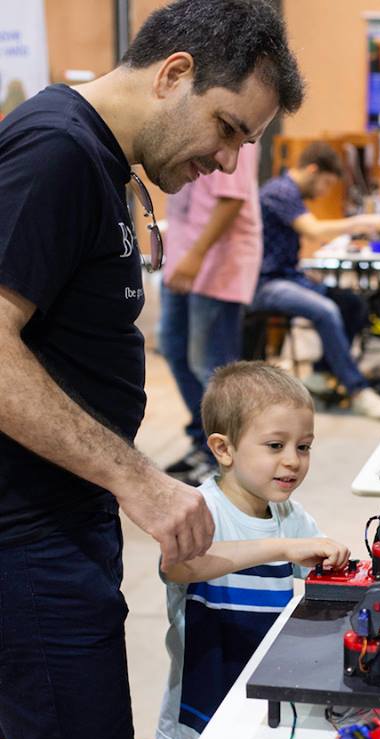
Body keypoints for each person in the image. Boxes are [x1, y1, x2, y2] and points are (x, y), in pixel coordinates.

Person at [0, 0, 303, 739]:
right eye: (227, 129)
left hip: (49, 528)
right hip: (32, 539)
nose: (225, 161)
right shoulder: (55, 150)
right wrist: (139, 479)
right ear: (173, 74)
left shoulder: (94, 160)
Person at [157, 361, 380, 739]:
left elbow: (341, 575)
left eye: (303, 446)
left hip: (266, 697)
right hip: (202, 706)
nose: (293, 460)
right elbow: (179, 564)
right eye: (275, 446)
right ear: (223, 449)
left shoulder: (289, 515)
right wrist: (281, 547)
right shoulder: (201, 510)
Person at [253, 142, 380, 420]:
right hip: (265, 282)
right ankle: (358, 392)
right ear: (312, 170)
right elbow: (315, 231)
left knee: (351, 303)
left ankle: (320, 375)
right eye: (326, 183)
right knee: (326, 309)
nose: (324, 192)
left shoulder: (289, 192)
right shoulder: (280, 190)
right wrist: (362, 221)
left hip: (289, 275)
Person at [160, 142, 262, 485]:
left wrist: (195, 257)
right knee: (174, 350)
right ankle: (201, 442)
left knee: (211, 367)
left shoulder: (235, 128)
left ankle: (223, 459)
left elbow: (232, 198)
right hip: (183, 260)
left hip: (216, 267)